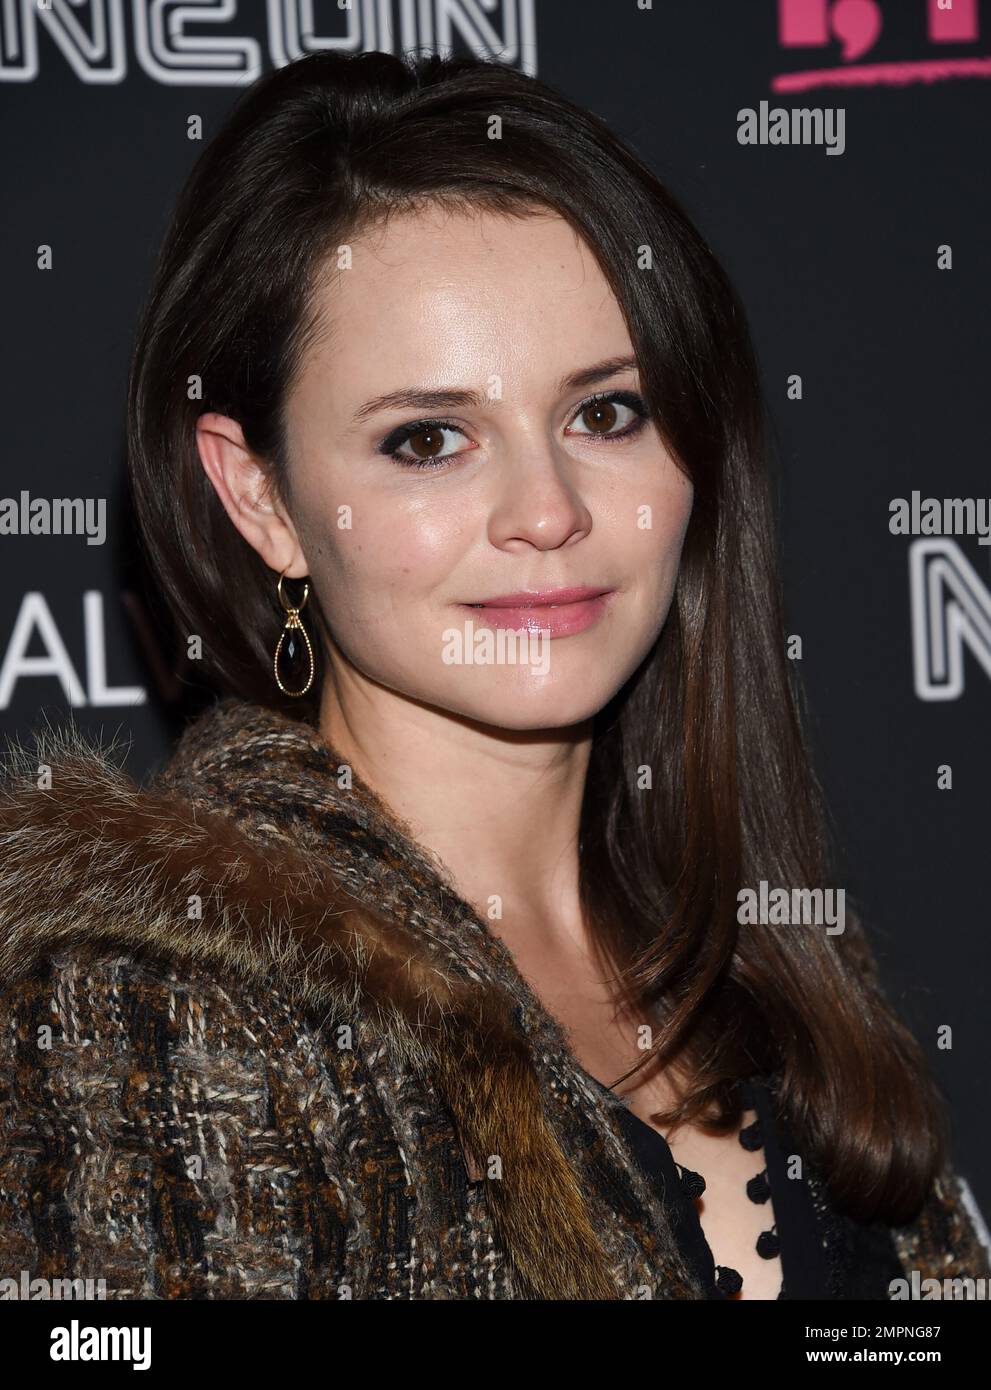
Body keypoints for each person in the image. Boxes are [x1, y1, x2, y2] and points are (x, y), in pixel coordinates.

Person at [0, 50, 986, 1302]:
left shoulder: (771, 976)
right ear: (261, 499)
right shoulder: (157, 1005)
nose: (546, 509)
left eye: (605, 414)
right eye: (429, 438)